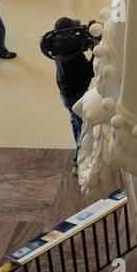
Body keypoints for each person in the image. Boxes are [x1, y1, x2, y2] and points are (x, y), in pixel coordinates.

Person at [50, 17, 95, 168]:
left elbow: (76, 47)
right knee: (83, 128)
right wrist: (95, 53)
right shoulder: (72, 56)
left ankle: (79, 157)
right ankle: (78, 163)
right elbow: (89, 72)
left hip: (66, 94)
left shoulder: (58, 47)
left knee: (75, 123)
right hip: (76, 95)